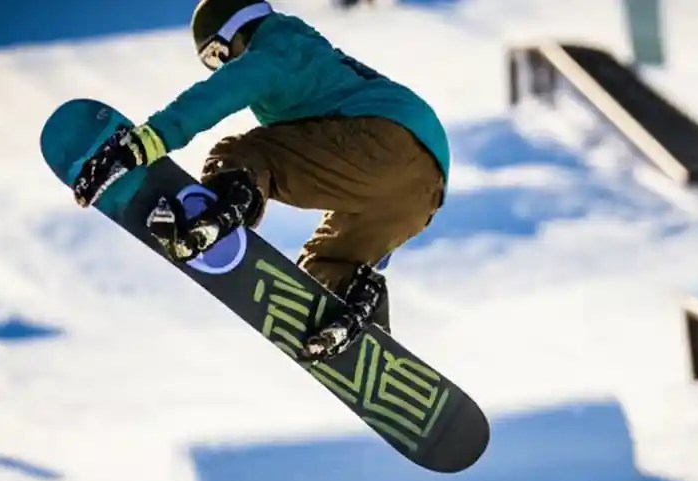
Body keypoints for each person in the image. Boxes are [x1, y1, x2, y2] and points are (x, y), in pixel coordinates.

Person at [71, 0, 449, 361]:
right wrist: (376, 239)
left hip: (383, 140)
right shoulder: (307, 56)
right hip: (423, 189)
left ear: (236, 30)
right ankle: (356, 302)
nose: (222, 67)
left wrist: (143, 144)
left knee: (244, 154)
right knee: (323, 271)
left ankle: (220, 212)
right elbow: (384, 179)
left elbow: (217, 95)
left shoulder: (277, 45)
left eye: (217, 56)